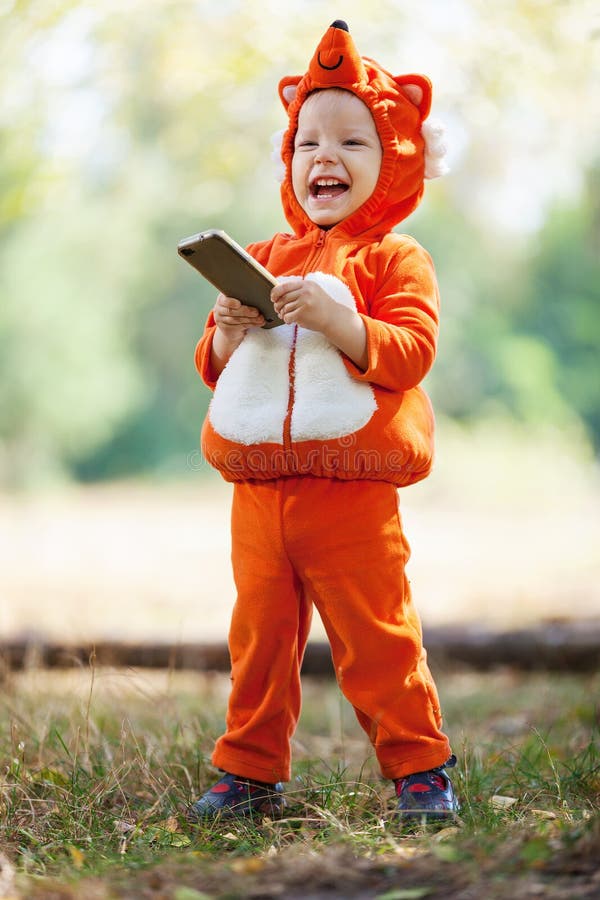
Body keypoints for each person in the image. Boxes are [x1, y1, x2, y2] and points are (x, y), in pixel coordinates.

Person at [190, 20, 458, 822]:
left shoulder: (396, 260)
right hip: (261, 496)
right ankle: (249, 771)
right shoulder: (267, 253)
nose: (324, 158)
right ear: (290, 161)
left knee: (377, 636)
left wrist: (340, 323)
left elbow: (410, 351)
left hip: (350, 494)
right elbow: (215, 365)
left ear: (394, 163)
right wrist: (230, 326)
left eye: (352, 142)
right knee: (259, 642)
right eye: (307, 143)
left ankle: (421, 768)